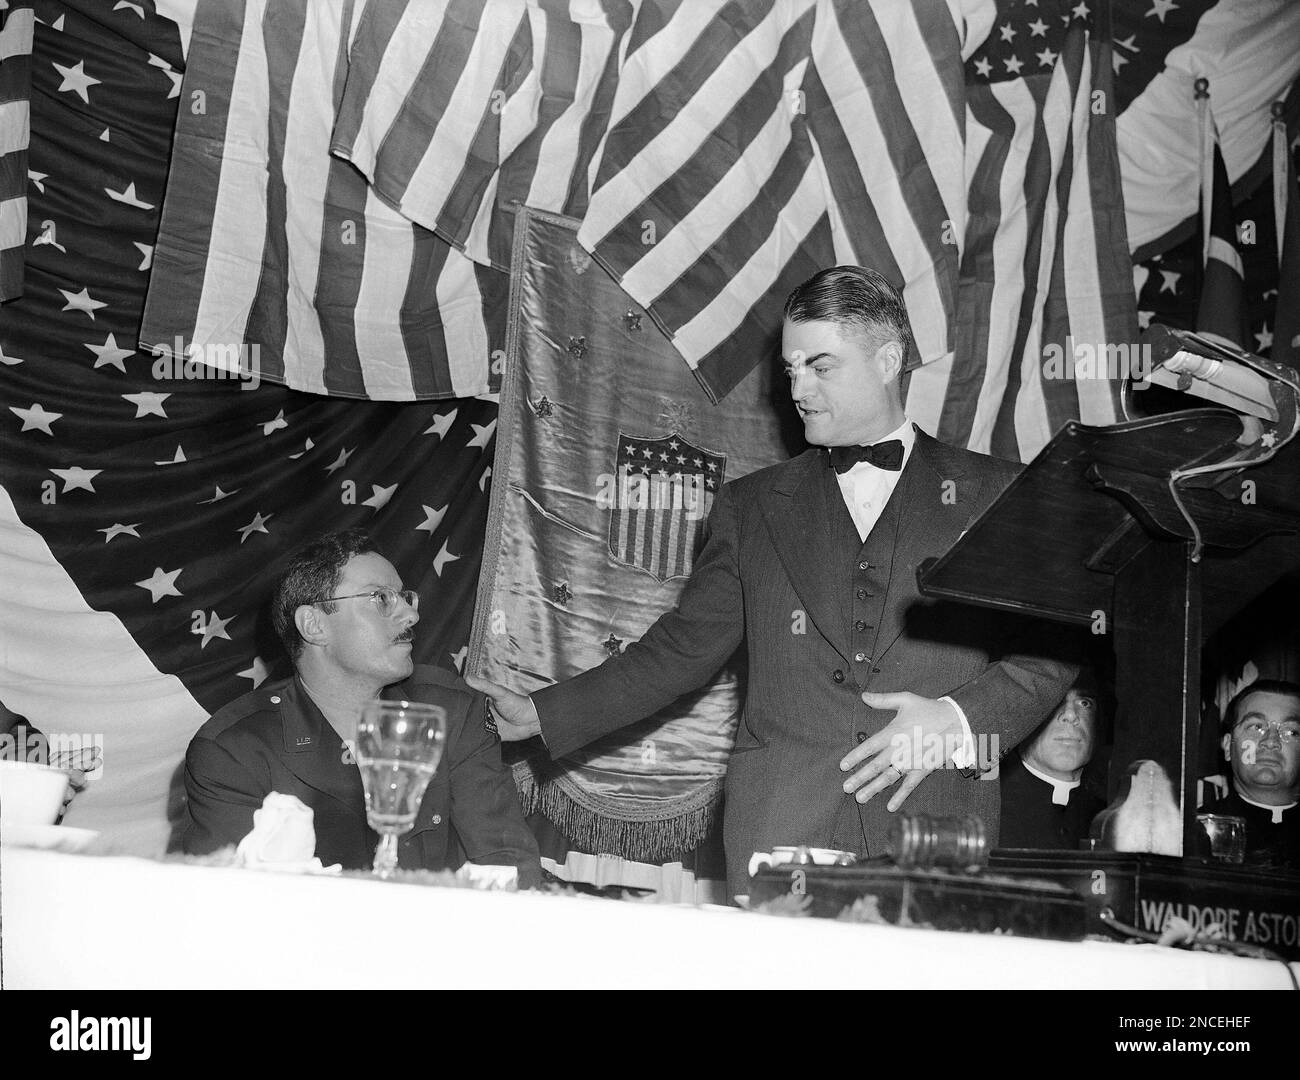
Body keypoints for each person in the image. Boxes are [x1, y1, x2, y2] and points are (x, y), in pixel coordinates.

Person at [468, 265, 1076, 897]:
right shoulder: (749, 508)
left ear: (889, 359)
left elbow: (1052, 651)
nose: (799, 388)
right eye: (791, 369)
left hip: (940, 827)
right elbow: (679, 652)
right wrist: (542, 714)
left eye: (821, 365)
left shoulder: (997, 494)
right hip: (780, 828)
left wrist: (956, 720)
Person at [183, 529, 541, 886]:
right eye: (380, 598)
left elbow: (508, 866)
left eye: (404, 597)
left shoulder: (448, 709)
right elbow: (230, 909)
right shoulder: (235, 751)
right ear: (314, 625)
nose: (411, 615)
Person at [998, 675, 1107, 850]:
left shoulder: (1111, 819)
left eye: (1084, 703)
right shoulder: (988, 804)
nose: (1071, 715)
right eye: (1055, 701)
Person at [1203, 679, 1300, 870]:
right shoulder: (1192, 836)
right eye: (1256, 727)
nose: (1271, 742)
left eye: (1291, 732)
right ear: (1228, 747)